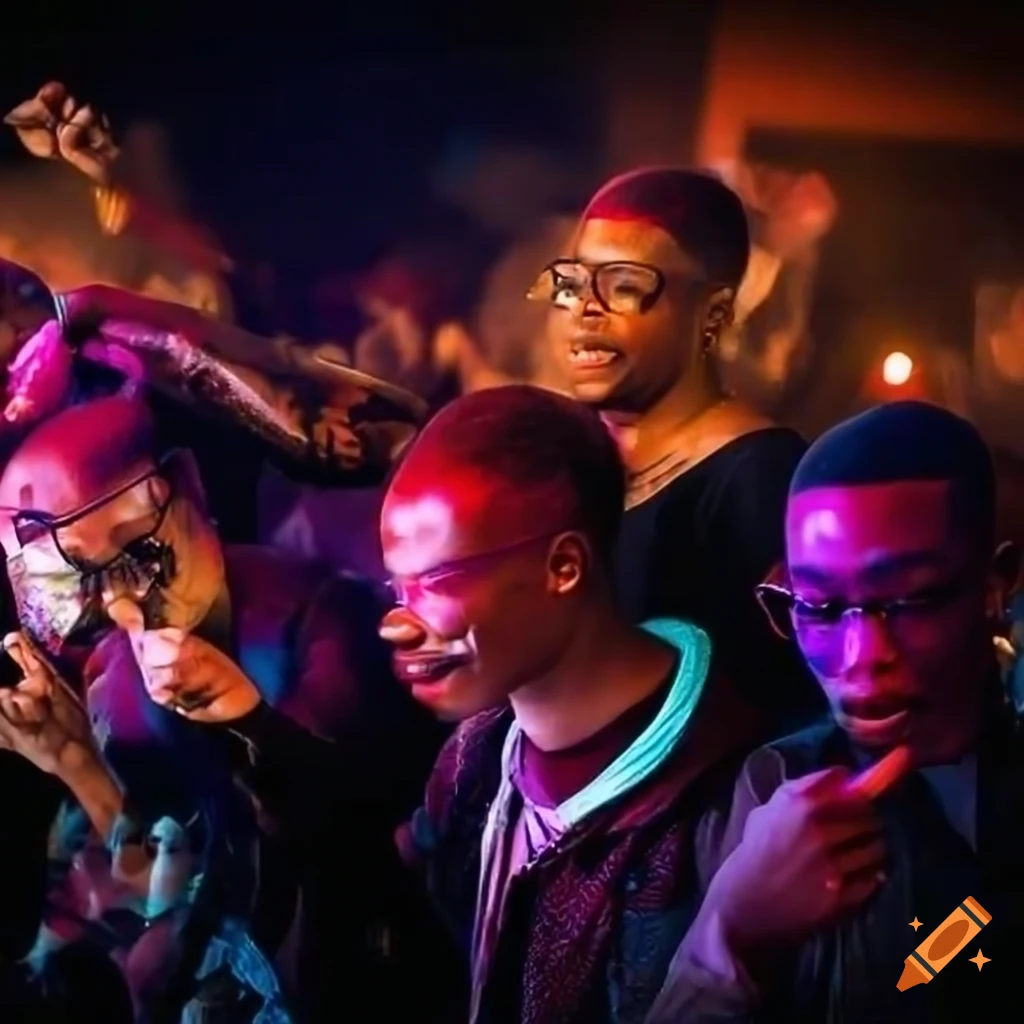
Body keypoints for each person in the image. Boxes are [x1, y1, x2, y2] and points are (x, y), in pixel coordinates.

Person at [0, 395, 444, 1021]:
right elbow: (170, 879)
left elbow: (349, 833)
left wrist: (252, 722)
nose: (128, 612)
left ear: (183, 490)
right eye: (95, 596)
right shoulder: (118, 675)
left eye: (140, 559)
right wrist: (77, 763)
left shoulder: (325, 618)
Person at [382, 385, 764, 1022]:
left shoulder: (732, 798)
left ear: (564, 566)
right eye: (397, 585)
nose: (399, 623)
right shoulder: (471, 764)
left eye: (439, 581)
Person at [647, 401, 1023, 1023]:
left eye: (911, 600)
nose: (862, 656)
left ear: (994, 586)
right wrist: (732, 934)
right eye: (818, 608)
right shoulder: (776, 792)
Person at [536, 166, 821, 731]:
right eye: (573, 283)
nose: (585, 309)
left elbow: (775, 706)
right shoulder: (559, 458)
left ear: (713, 314)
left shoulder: (759, 477)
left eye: (623, 285)